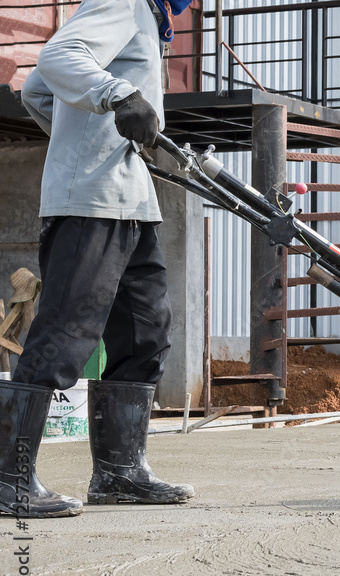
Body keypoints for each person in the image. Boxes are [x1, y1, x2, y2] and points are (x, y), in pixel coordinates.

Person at [0, 0, 196, 518]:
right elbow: (57, 56)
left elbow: (39, 92)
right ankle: (7, 477)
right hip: (89, 203)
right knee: (65, 334)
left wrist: (79, 135)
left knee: (145, 333)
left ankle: (120, 474)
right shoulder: (124, 1)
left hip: (133, 202)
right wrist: (117, 96)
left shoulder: (150, 21)